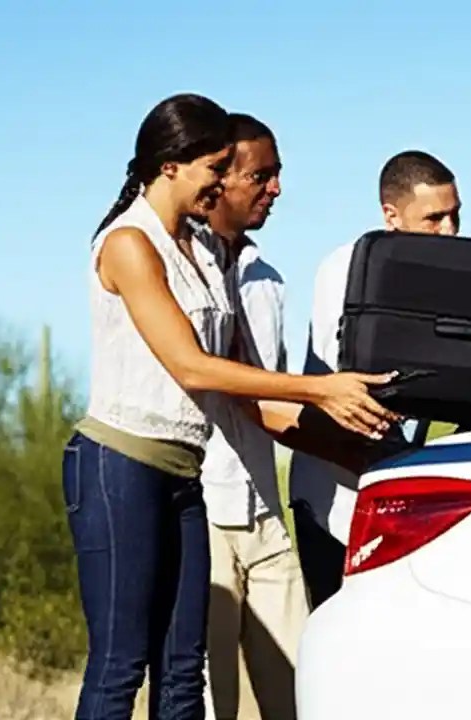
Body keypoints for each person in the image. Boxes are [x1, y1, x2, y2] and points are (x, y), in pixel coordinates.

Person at [64, 93, 398, 720]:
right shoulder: (129, 245)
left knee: (182, 668)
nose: (220, 183)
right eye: (215, 168)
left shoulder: (201, 256)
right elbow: (191, 365)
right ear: (170, 165)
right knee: (120, 664)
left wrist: (361, 429)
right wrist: (324, 387)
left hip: (181, 473)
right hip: (119, 466)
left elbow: (252, 388)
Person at [287, 149, 462, 610]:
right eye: (434, 218)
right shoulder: (348, 267)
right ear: (391, 214)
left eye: (455, 215)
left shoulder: (453, 274)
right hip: (333, 493)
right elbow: (341, 381)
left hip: (396, 489)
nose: (449, 230)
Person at [194, 113, 306, 720]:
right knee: (213, 705)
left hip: (265, 511)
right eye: (261, 175)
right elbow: (220, 376)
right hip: (203, 512)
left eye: (277, 173)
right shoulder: (180, 271)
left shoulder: (269, 280)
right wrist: (323, 395)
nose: (276, 188)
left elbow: (274, 404)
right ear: (220, 180)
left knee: (299, 694)